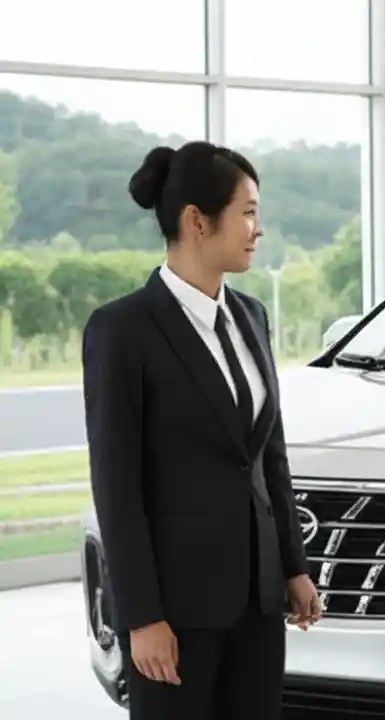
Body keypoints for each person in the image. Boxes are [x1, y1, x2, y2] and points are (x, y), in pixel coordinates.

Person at [82, 140, 322, 720]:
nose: (258, 229)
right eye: (247, 212)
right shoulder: (123, 331)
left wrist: (292, 566)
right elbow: (117, 487)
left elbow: (270, 458)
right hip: (175, 612)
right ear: (196, 220)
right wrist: (141, 617)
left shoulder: (252, 317)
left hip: (257, 604)